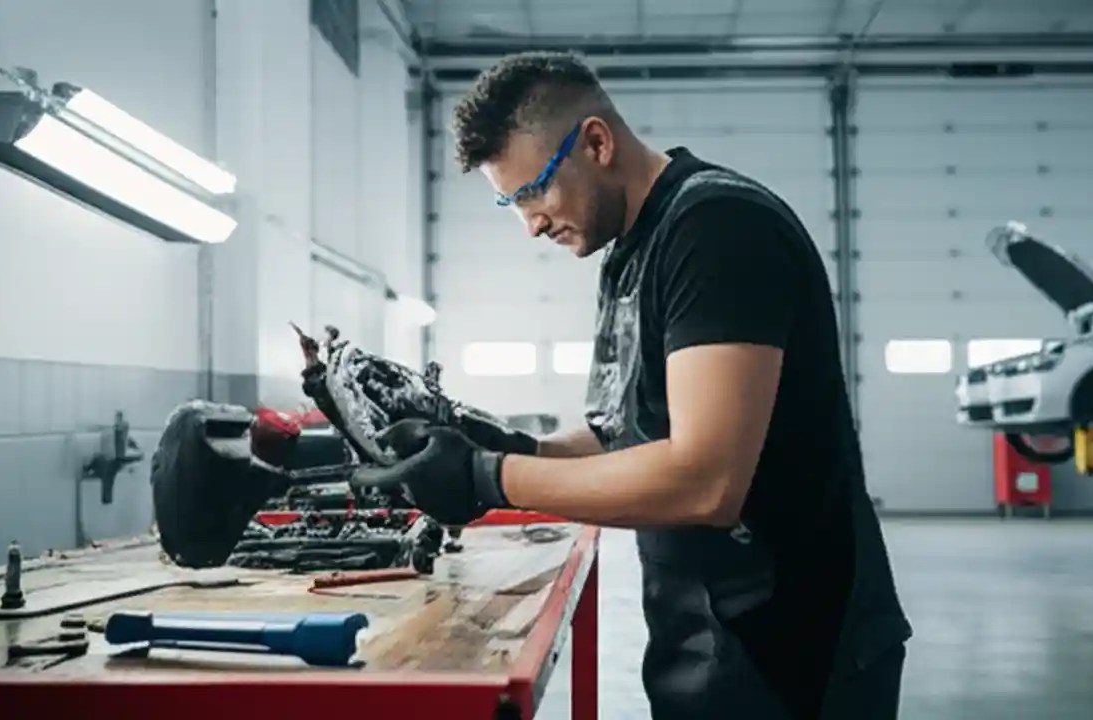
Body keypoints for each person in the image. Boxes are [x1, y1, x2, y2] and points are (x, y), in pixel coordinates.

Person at [356, 51, 912, 719]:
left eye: (533, 191)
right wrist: (509, 445)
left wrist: (485, 476)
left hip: (796, 652)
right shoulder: (631, 253)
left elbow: (705, 478)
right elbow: (620, 430)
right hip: (708, 639)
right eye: (510, 203)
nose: (529, 222)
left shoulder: (718, 231)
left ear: (596, 141)